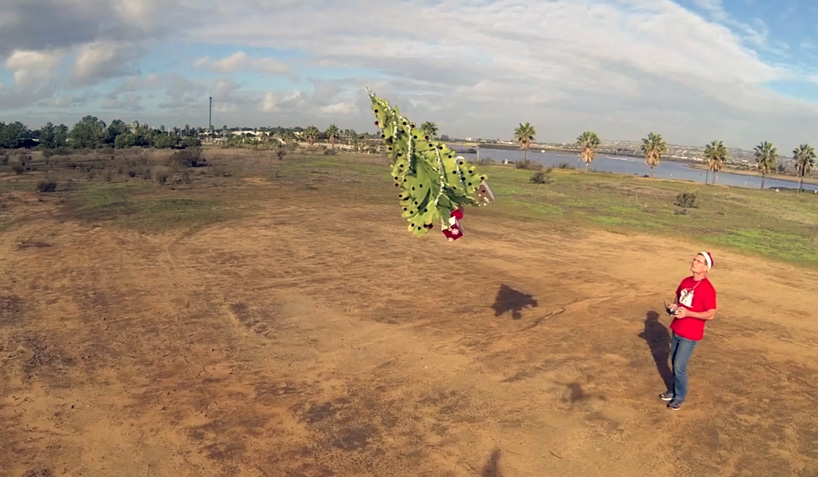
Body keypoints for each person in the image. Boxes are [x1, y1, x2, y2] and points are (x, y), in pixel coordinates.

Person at [660, 252, 717, 411]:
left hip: (690, 334)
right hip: (677, 329)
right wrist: (674, 307)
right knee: (674, 362)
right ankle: (673, 390)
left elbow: (711, 314)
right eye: (695, 260)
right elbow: (678, 299)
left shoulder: (708, 289)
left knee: (679, 366)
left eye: (699, 262)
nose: (694, 263)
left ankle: (679, 397)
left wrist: (688, 313)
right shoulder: (686, 281)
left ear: (706, 268)